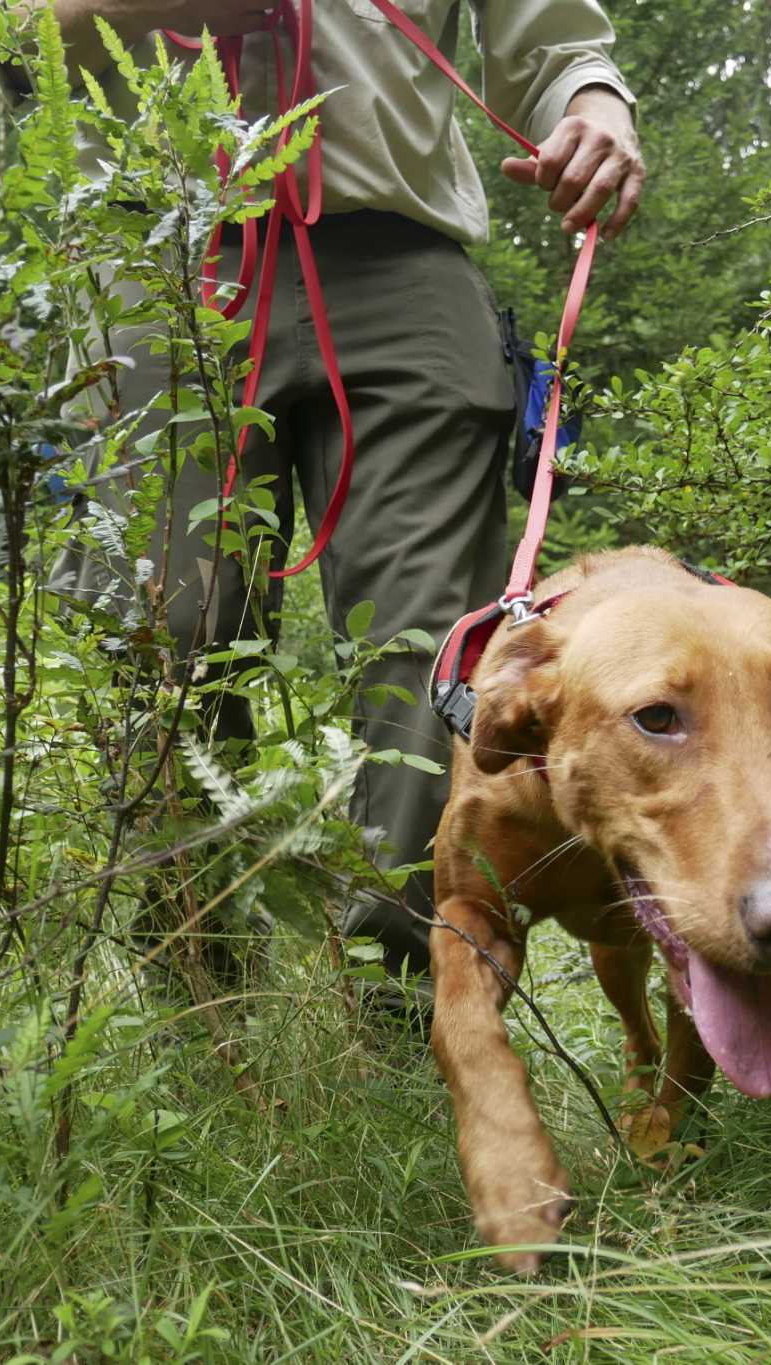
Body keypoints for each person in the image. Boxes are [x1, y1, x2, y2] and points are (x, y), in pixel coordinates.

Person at [40, 0, 643, 987]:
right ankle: (197, 1002)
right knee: (162, 633)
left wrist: (596, 111)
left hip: (402, 258)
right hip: (154, 255)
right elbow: (13, 28)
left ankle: (407, 1007)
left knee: (436, 654)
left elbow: (556, 44)